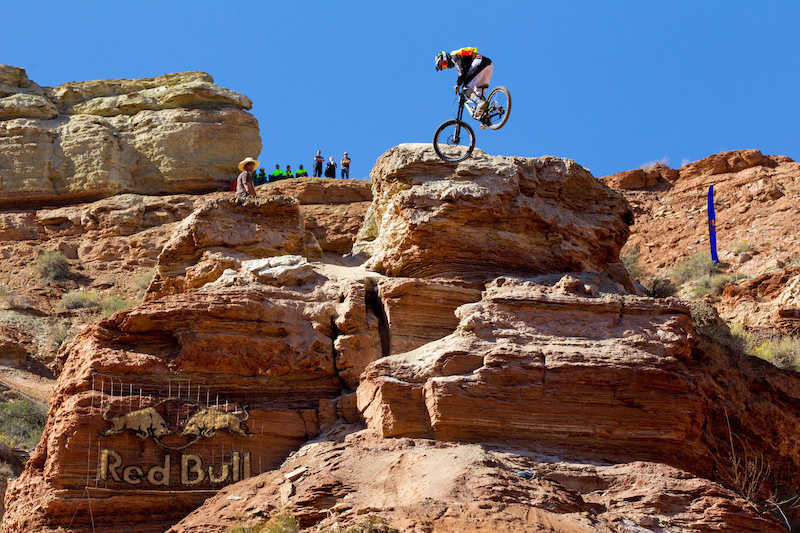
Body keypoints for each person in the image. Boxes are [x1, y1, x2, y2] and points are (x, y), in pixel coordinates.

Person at [435, 47, 493, 127]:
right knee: (479, 94)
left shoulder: (454, 56)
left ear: (445, 57)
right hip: (488, 65)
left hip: (479, 61)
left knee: (466, 89)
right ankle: (487, 118)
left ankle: (479, 103)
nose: (447, 66)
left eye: (444, 64)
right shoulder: (459, 58)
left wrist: (458, 85)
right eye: (444, 67)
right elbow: (465, 71)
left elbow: (462, 72)